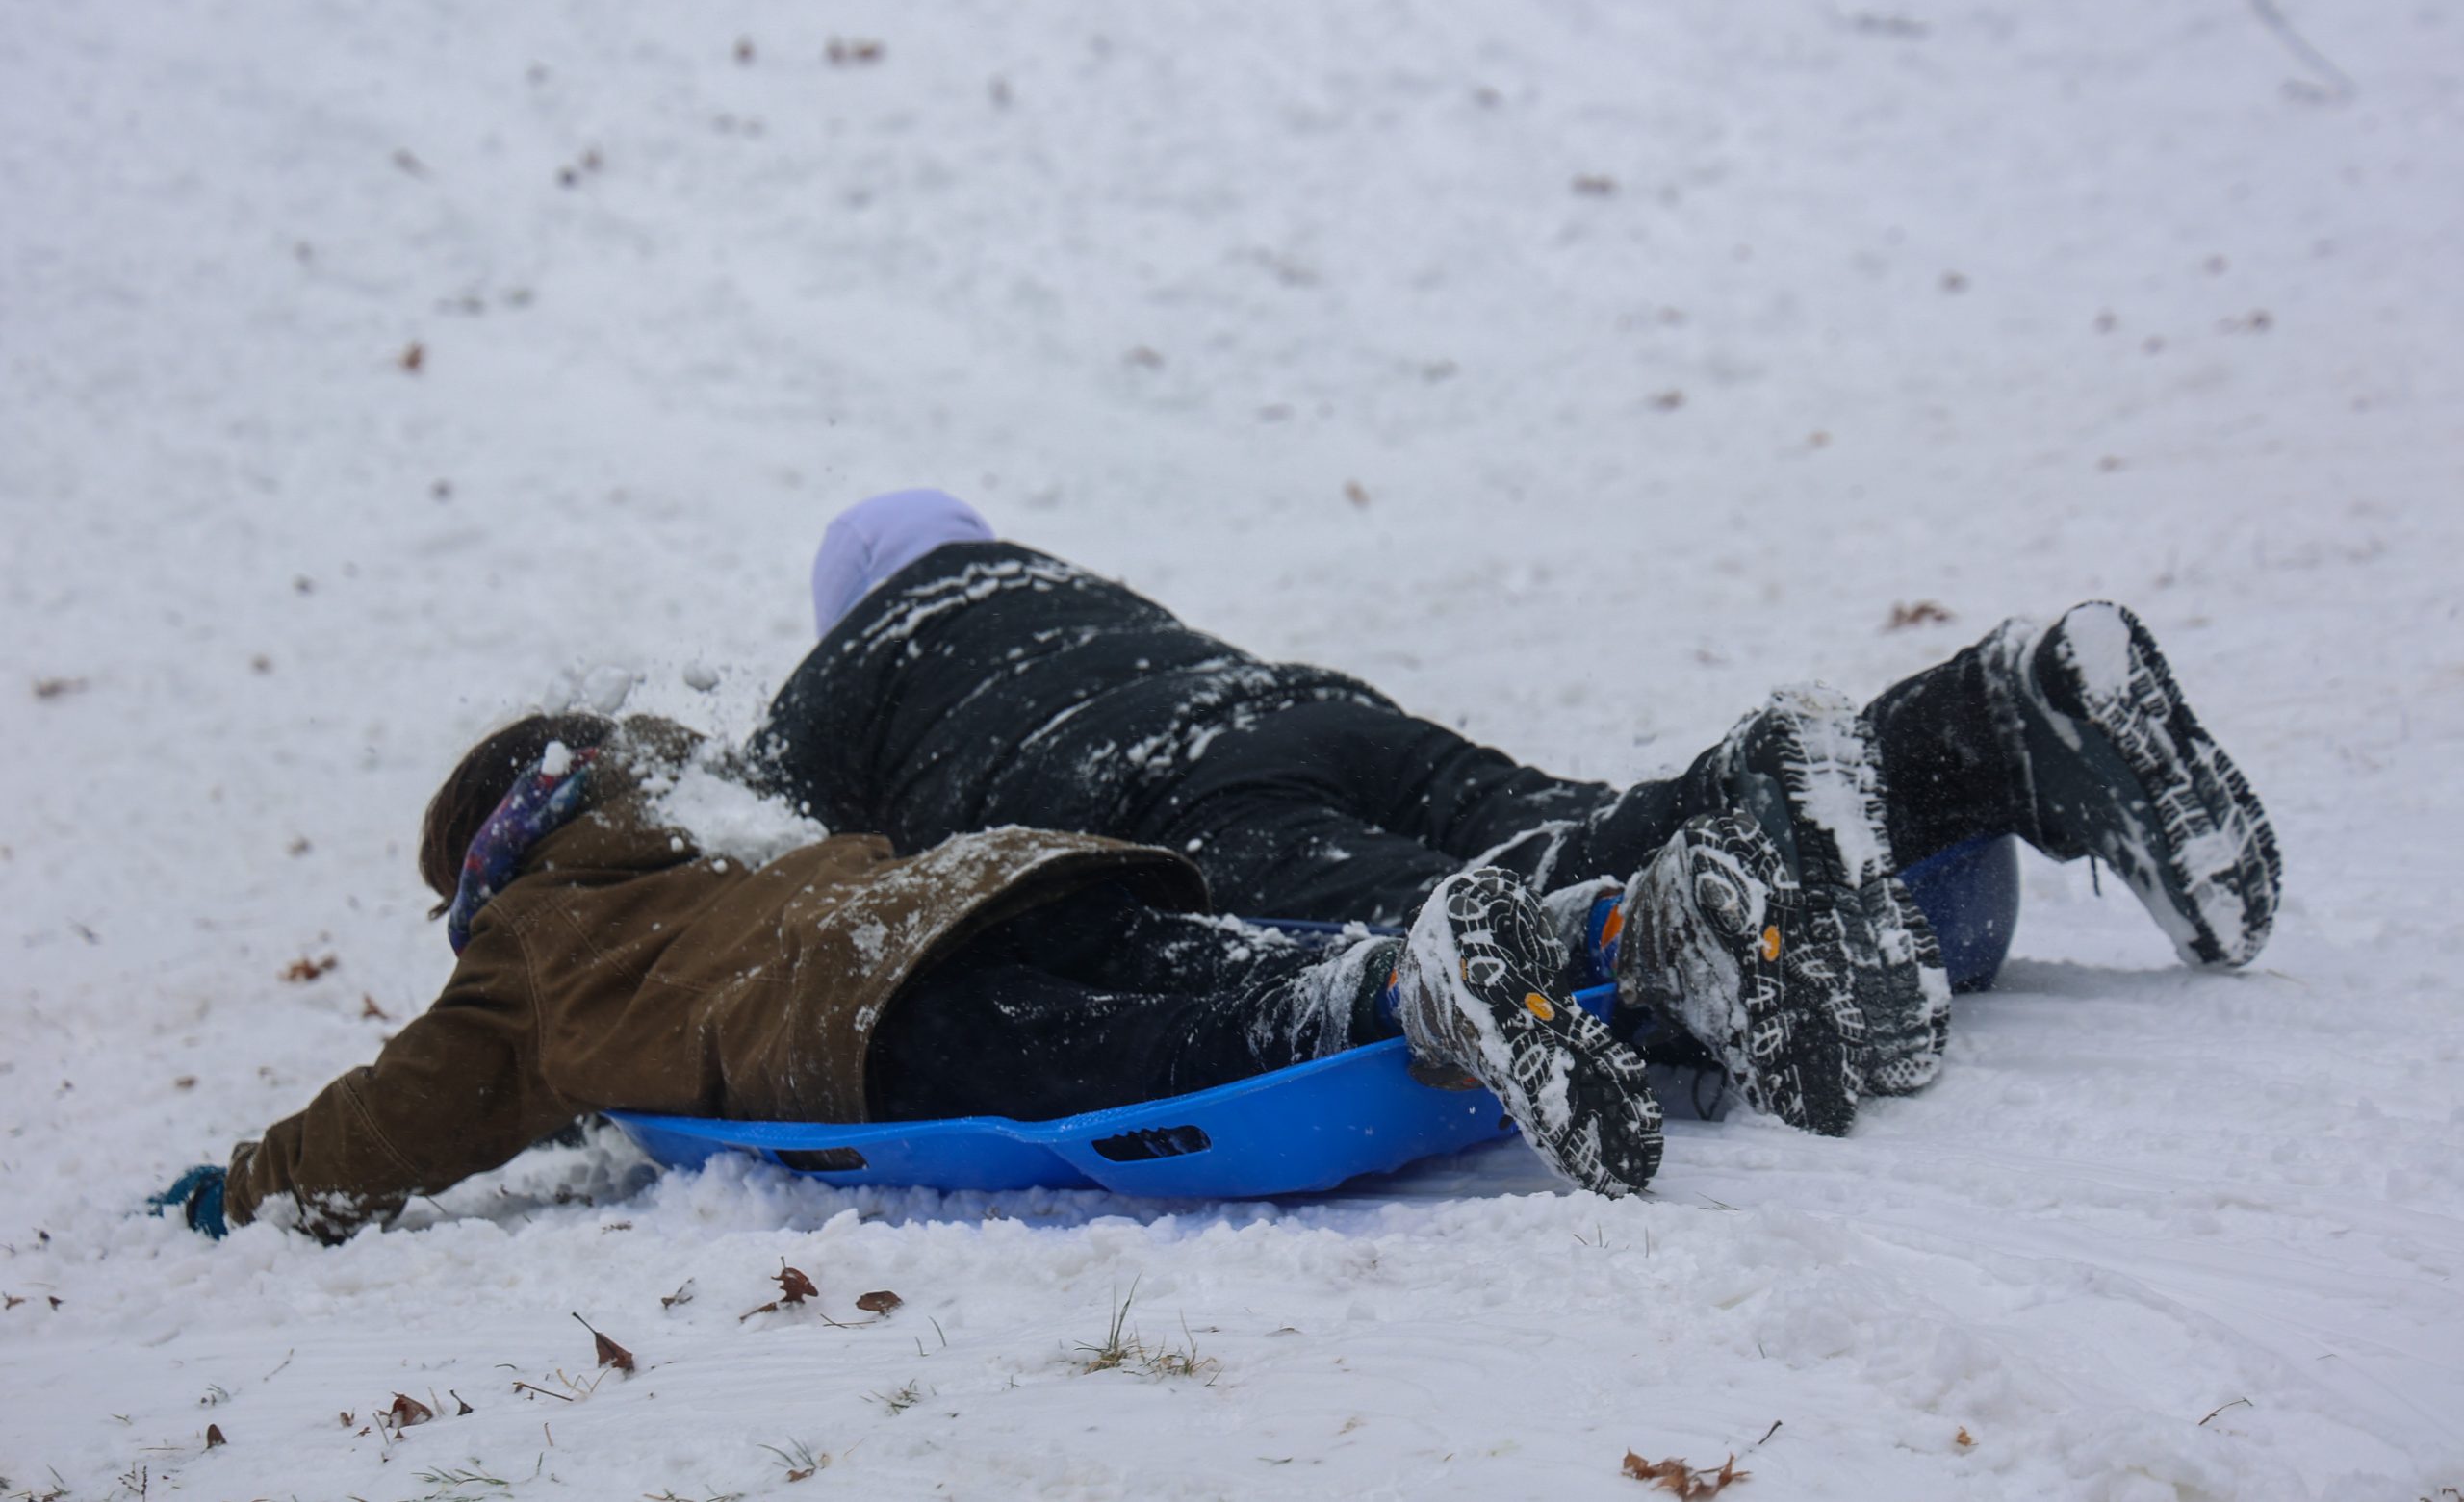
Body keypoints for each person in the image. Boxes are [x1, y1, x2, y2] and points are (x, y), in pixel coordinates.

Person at [749, 491, 2283, 1138]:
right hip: (1316, 708)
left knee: (1475, 911)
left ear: (849, 604)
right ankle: (1981, 724)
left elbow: (748, 838)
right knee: (1590, 819)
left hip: (1173, 785)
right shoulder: (1058, 582)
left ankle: (1705, 912)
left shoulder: (846, 676)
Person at [151, 716, 1666, 1242]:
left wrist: (256, 1183)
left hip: (872, 1004)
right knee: (1208, 959)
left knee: (1175, 1043)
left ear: (483, 867)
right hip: (992, 879)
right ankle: (1616, 936)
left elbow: (410, 1114)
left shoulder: (532, 939)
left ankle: (1427, 1001)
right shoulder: (713, 821)